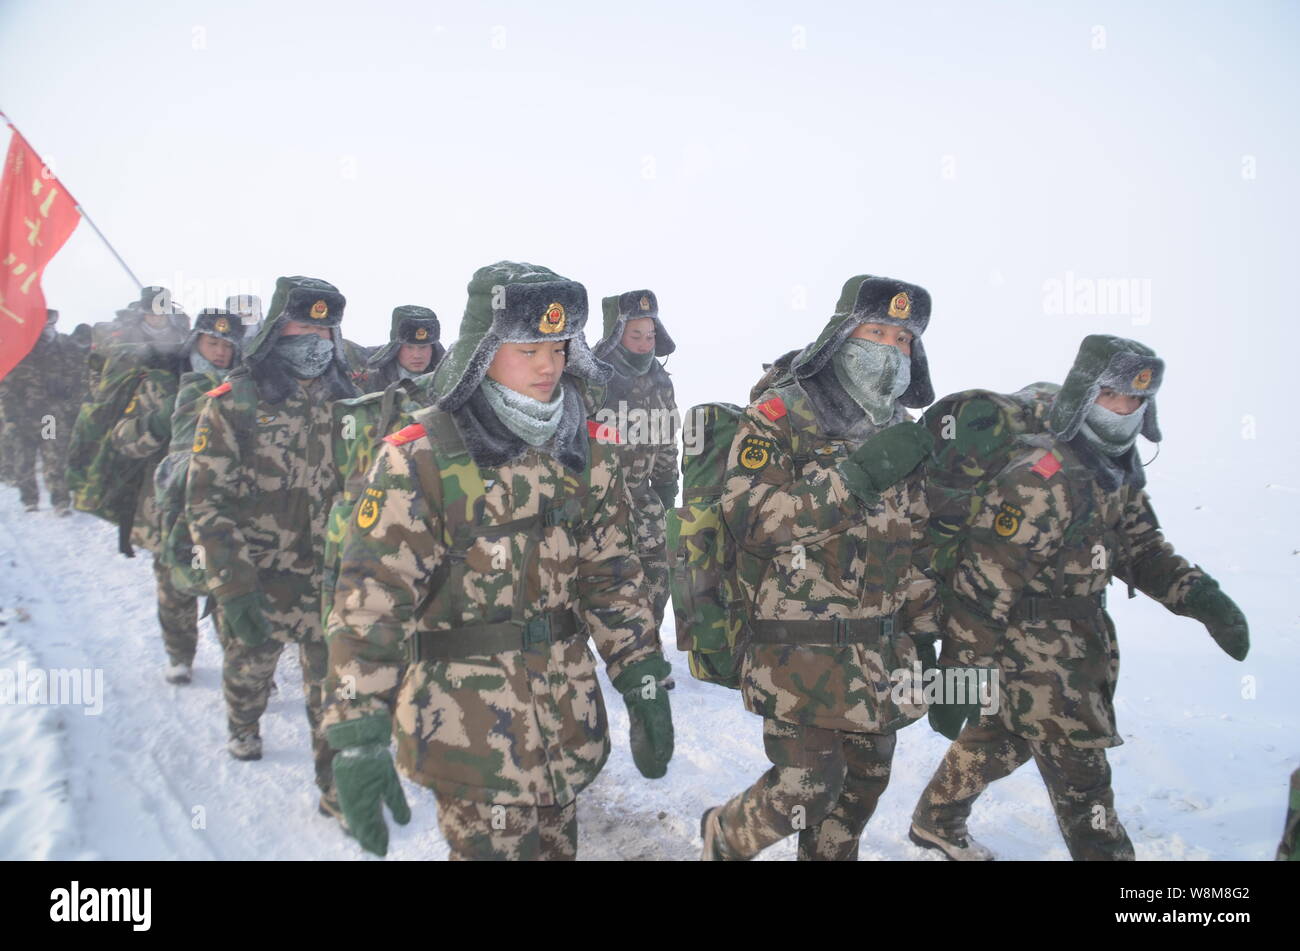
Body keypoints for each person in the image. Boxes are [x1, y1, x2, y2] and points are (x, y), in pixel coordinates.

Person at [322, 261, 673, 860]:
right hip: (467, 732)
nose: (548, 364)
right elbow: (372, 601)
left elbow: (611, 576)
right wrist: (357, 731)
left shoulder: (584, 451)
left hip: (565, 721)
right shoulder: (422, 457)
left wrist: (640, 673)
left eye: (559, 347)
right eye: (527, 348)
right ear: (483, 351)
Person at [911, 335, 1250, 861]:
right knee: (1083, 782)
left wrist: (1199, 596)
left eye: (1136, 400)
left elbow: (1139, 546)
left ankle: (936, 819)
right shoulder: (1042, 476)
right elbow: (987, 579)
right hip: (1035, 651)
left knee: (1005, 736)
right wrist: (962, 670)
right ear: (1085, 391)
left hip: (1076, 643)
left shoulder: (1116, 461)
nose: (1124, 410)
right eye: (1113, 395)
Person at [699, 275, 939, 861]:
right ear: (840, 336)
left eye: (903, 340)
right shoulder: (783, 411)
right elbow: (750, 518)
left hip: (880, 650)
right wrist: (853, 480)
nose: (889, 349)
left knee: (861, 790)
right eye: (875, 331)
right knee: (803, 790)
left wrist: (929, 633)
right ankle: (725, 837)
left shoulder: (901, 432)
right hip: (799, 648)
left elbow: (919, 542)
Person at [186, 278, 359, 820]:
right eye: (301, 327)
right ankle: (243, 724)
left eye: (323, 329)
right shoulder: (235, 400)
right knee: (249, 670)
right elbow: (205, 503)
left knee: (335, 693)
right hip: (258, 577)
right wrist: (232, 587)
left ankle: (337, 789)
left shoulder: (352, 400)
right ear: (275, 331)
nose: (314, 340)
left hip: (331, 583)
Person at [588, 289, 678, 631]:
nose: (645, 343)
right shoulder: (593, 377)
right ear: (616, 334)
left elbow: (668, 434)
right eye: (635, 335)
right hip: (599, 501)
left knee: (658, 568)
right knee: (602, 575)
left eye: (650, 334)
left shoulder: (661, 380)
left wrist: (668, 486)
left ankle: (647, 643)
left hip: (643, 497)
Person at [2, 309, 85, 512]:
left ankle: (60, 500)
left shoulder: (64, 348)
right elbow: (6, 388)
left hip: (50, 416)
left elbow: (78, 380)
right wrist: (9, 416)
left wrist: (67, 402)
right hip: (23, 416)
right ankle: (30, 499)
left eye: (48, 325)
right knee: (25, 459)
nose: (44, 330)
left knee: (54, 456)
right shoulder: (19, 351)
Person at [360, 305, 444, 391]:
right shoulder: (370, 377)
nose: (417, 355)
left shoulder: (447, 377)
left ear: (433, 348)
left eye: (423, 347)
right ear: (395, 349)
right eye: (409, 347)